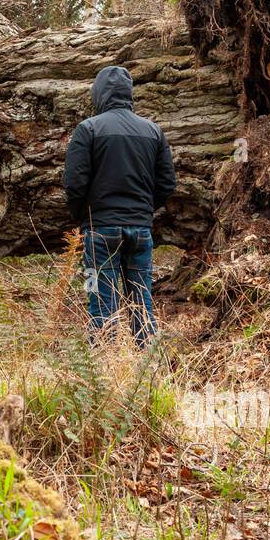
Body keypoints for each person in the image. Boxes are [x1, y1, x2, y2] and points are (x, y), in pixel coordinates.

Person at [62, 65, 177, 347]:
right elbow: (167, 184)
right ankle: (147, 371)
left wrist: (82, 217)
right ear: (128, 94)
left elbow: (73, 183)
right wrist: (144, 211)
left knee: (100, 300)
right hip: (141, 232)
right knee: (142, 300)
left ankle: (104, 367)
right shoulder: (153, 131)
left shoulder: (88, 129)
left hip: (99, 232)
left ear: (99, 94)